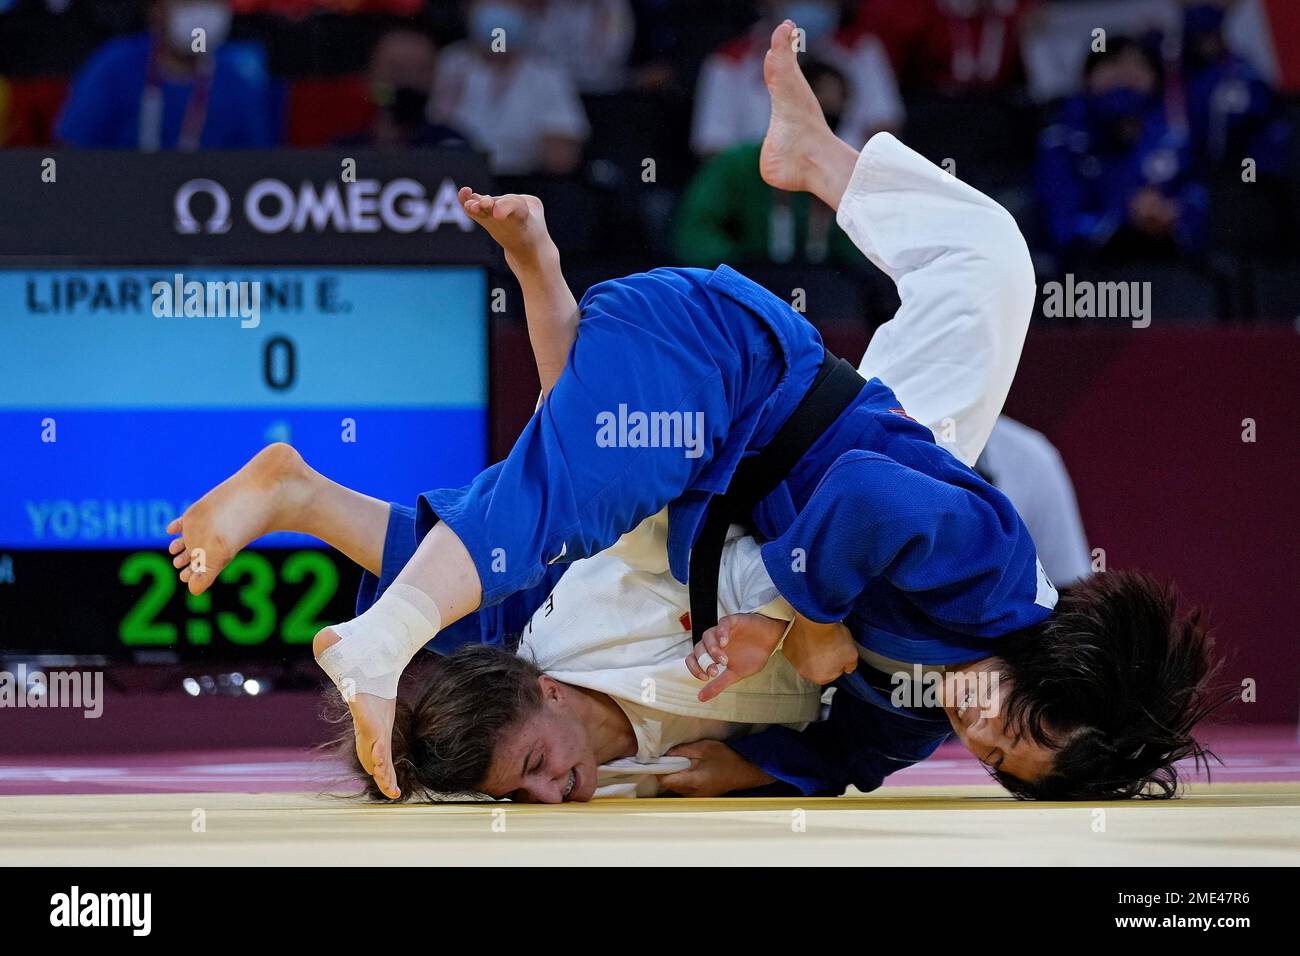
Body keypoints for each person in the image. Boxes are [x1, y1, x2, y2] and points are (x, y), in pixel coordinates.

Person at [170, 20, 1223, 805]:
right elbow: (849, 493)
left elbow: (858, 745)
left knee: (988, 266)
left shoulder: (926, 690)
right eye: (1012, 721)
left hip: (760, 477)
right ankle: (372, 608)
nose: (980, 734)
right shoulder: (985, 571)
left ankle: (813, 156)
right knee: (562, 499)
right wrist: (796, 616)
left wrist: (768, 768)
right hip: (776, 412)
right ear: (1044, 664)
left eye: (996, 760)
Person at [674, 59, 864, 269]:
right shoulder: (737, 164)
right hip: (747, 288)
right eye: (819, 107)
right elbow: (695, 233)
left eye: (835, 110)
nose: (827, 118)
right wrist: (739, 270)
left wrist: (844, 271)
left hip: (825, 289)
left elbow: (863, 247)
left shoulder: (847, 175)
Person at [1036, 37, 1208, 261]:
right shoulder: (1061, 140)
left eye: (1139, 65)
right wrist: (1125, 220)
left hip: (1166, 266)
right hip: (1085, 276)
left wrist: (1171, 215)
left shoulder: (1173, 139)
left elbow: (1197, 200)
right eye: (1113, 62)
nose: (1126, 74)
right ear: (1088, 77)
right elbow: (1061, 223)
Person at [56, 0, 274, 150]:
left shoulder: (237, 83)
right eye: (188, 2)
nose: (201, 12)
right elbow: (73, 149)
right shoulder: (114, 65)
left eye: (211, 2)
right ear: (157, 10)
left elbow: (256, 168)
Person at [691, 1, 902, 156]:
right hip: (763, 196)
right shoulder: (728, 64)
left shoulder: (861, 50)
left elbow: (884, 129)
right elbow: (714, 149)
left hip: (845, 192)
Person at [430, 0, 590, 174]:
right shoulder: (449, 63)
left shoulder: (547, 73)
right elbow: (427, 134)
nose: (500, 8)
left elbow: (561, 159)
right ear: (468, 9)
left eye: (509, 2)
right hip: (458, 182)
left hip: (521, 185)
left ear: (529, 11)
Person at [334, 27, 470, 150]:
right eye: (396, 70)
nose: (407, 81)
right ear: (369, 78)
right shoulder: (342, 153)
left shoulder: (455, 150)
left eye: (420, 71)